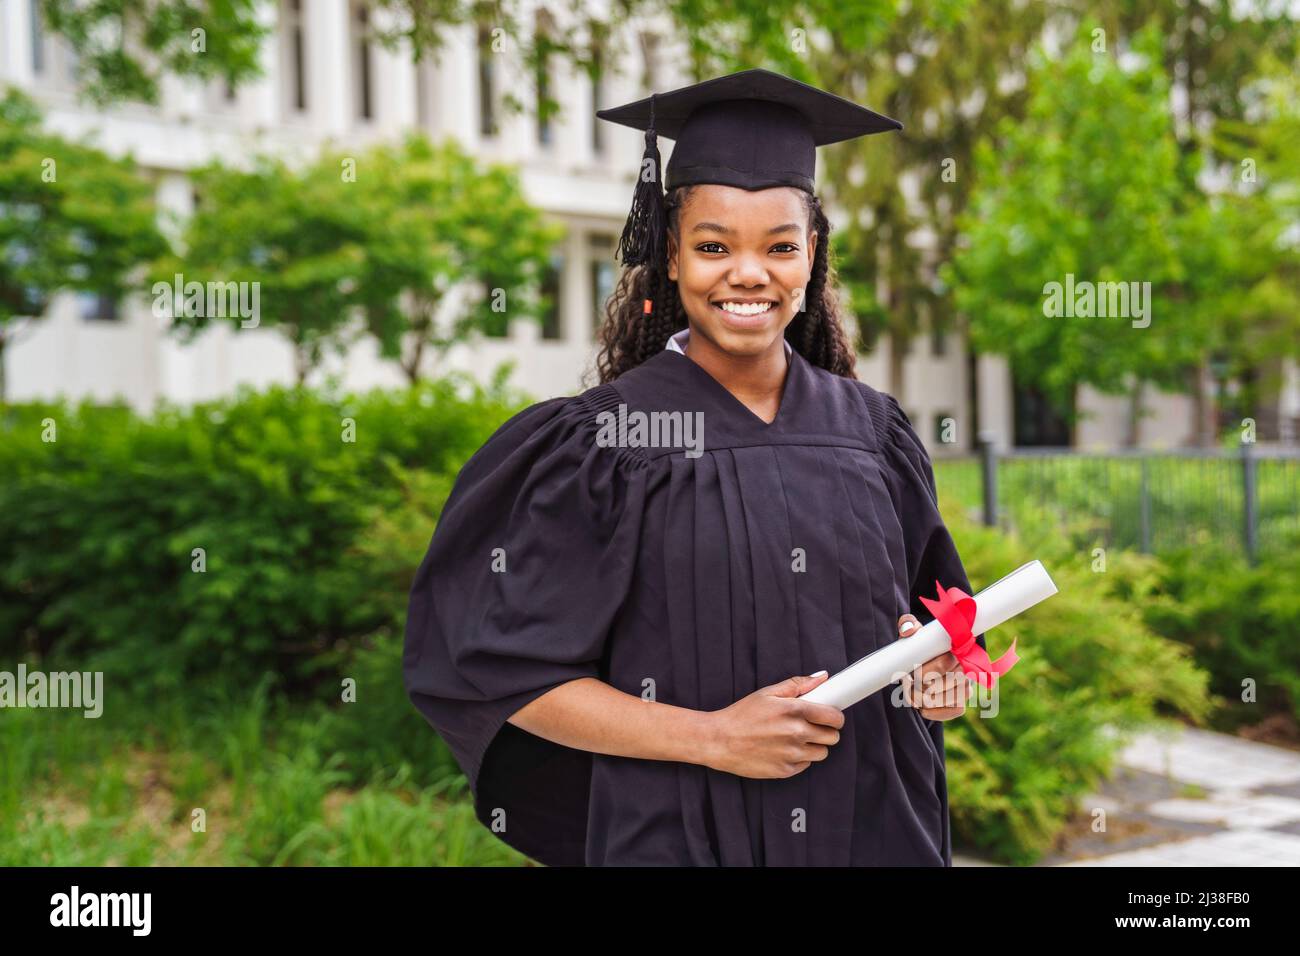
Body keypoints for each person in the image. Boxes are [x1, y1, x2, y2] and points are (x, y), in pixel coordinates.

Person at [403, 68, 987, 866]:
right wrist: (712, 738)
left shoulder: (872, 433)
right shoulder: (601, 446)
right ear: (670, 256)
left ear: (811, 257)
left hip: (878, 831)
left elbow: (938, 632)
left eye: (780, 247)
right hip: (678, 836)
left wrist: (945, 679)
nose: (749, 273)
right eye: (714, 246)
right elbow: (512, 674)